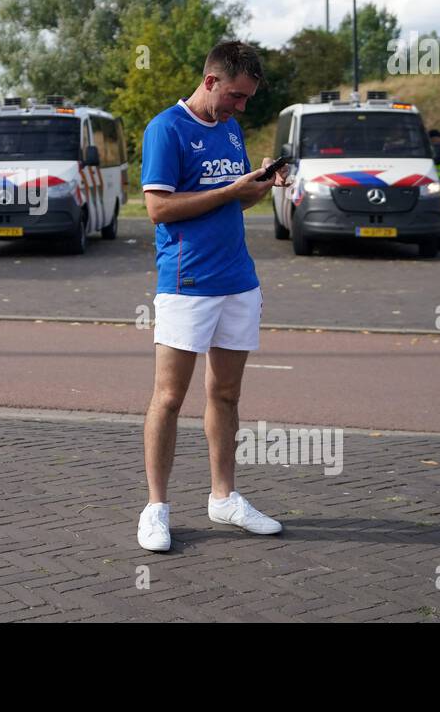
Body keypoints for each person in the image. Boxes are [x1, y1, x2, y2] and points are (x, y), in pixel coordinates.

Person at [136, 40, 290, 553]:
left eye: (246, 99)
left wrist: (260, 186)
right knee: (169, 398)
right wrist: (229, 192)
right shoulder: (166, 129)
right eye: (237, 96)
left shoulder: (230, 128)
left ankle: (223, 498)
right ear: (210, 82)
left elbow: (234, 202)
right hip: (187, 284)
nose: (240, 107)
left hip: (238, 282)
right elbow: (158, 209)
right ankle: (156, 508)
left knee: (225, 394)